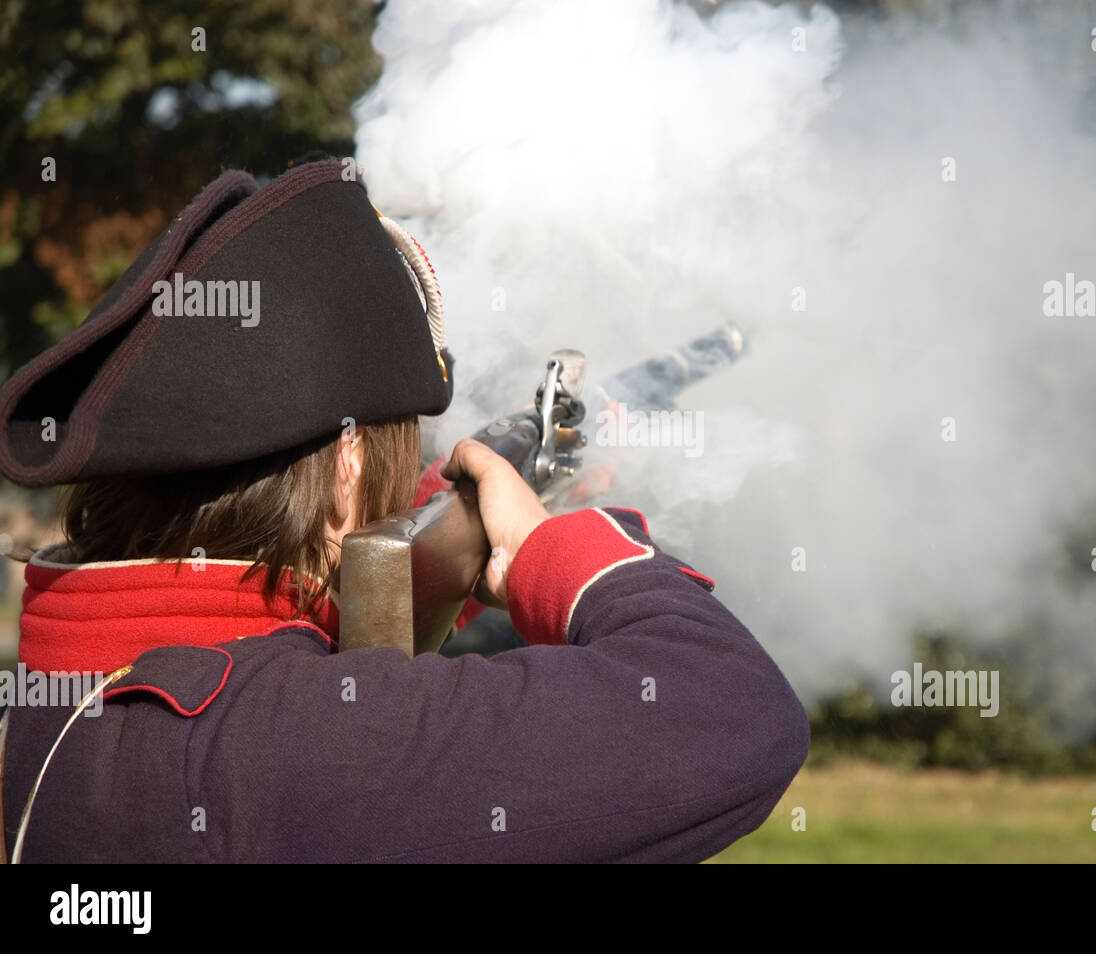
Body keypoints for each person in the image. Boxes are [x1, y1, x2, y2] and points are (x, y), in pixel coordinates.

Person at [0, 157, 808, 863]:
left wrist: (439, 545)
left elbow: (255, 618)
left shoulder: (49, 704)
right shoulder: (307, 748)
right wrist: (552, 549)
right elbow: (735, 710)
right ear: (348, 474)